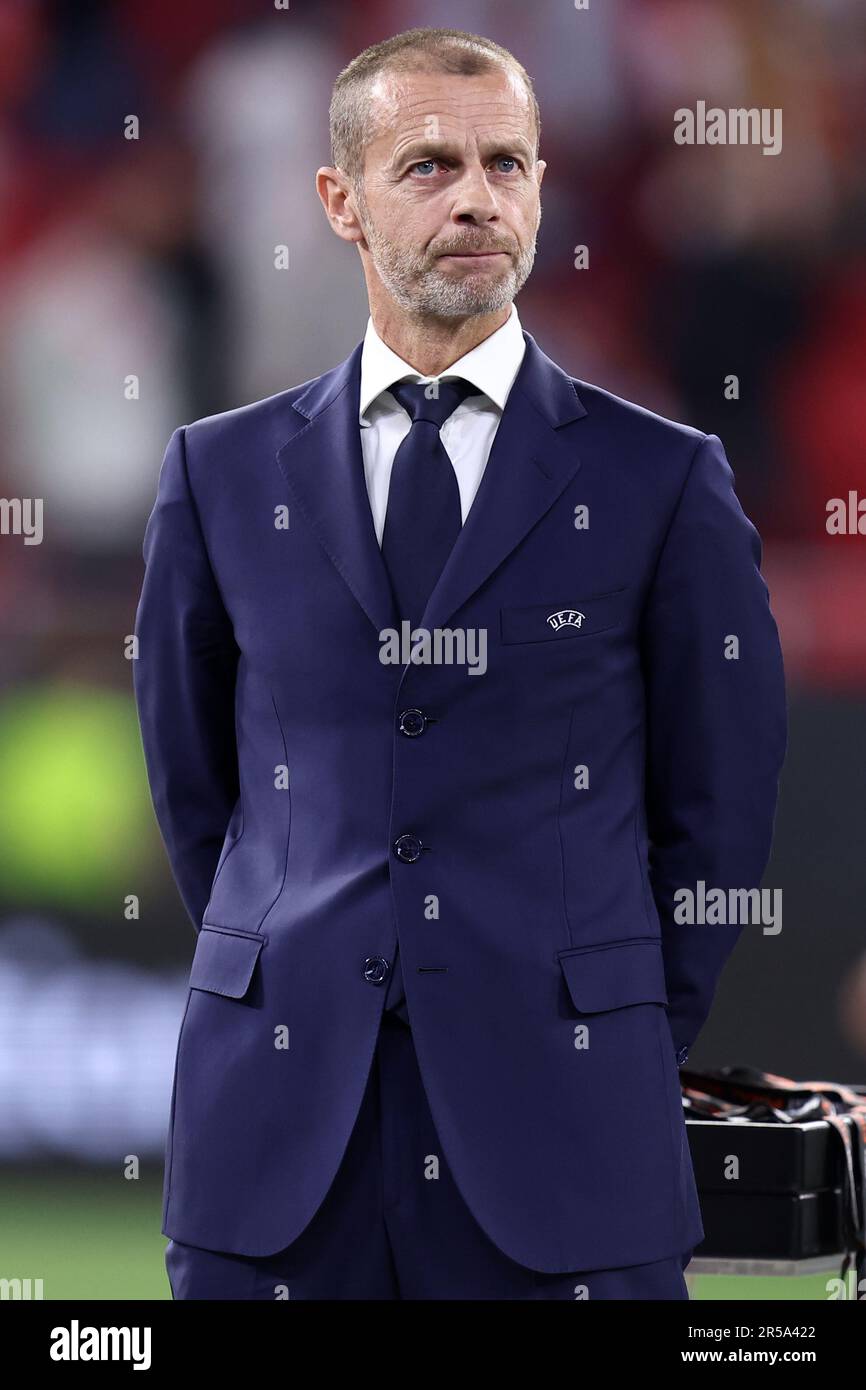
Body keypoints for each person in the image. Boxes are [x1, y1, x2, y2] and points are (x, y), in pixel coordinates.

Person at [133, 27, 787, 1300]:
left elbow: (718, 810)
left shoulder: (660, 479)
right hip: (275, 1139)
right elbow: (197, 790)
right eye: (428, 165)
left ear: (542, 187)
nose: (477, 198)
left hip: (569, 1140)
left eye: (507, 163)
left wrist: (610, 1014)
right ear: (339, 200)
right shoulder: (217, 475)